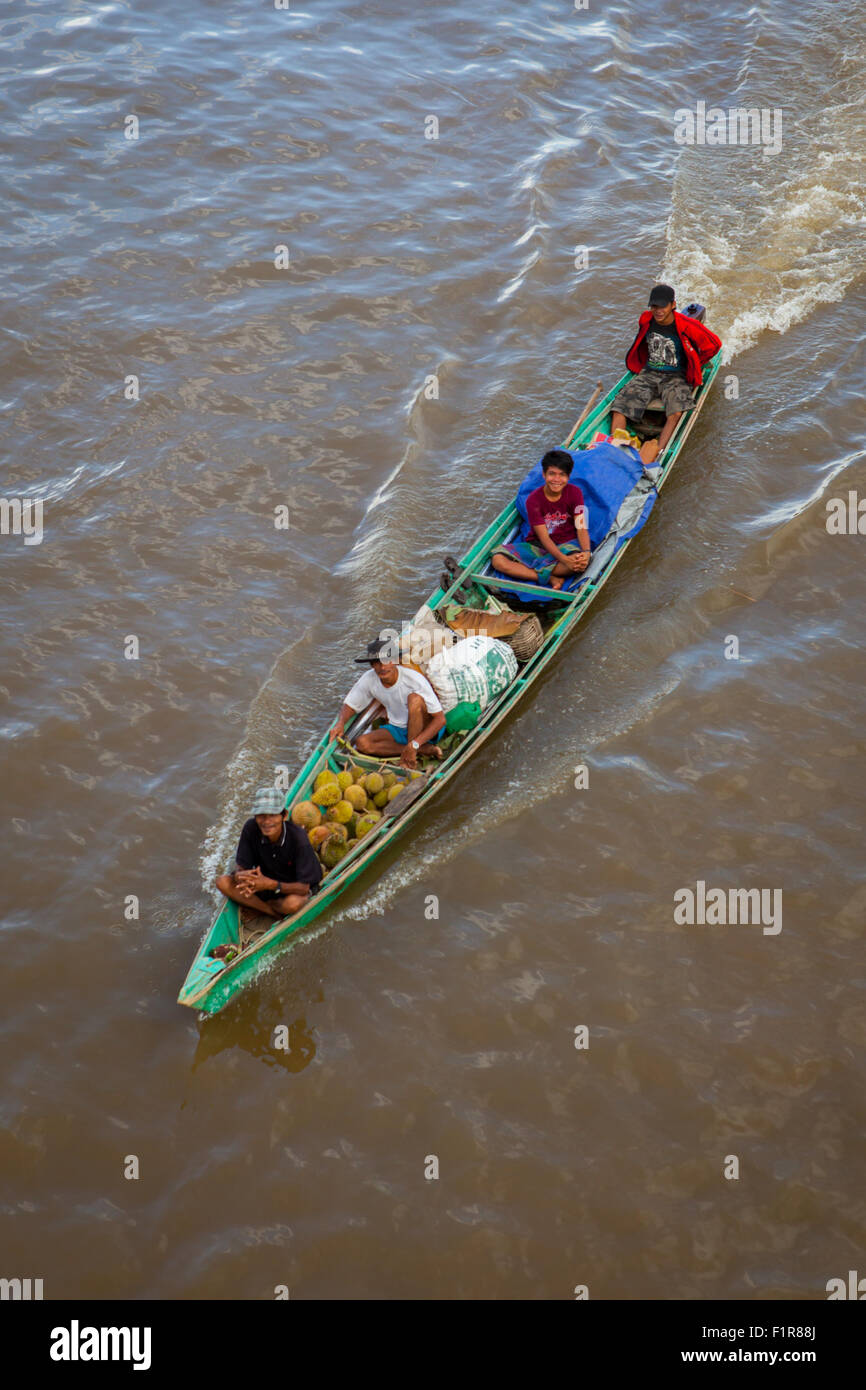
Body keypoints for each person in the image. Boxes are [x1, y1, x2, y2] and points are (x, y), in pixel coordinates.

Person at [610, 284, 722, 452]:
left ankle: (657, 454)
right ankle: (614, 449)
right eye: (654, 306)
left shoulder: (687, 325)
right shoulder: (646, 319)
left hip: (676, 377)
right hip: (649, 373)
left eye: (663, 306)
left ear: (673, 305)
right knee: (619, 407)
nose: (658, 311)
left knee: (676, 412)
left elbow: (714, 344)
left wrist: (695, 363)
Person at [331, 638, 446, 768]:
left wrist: (414, 744)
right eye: (378, 663)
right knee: (362, 743)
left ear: (395, 661)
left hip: (426, 727)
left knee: (414, 699)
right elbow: (351, 704)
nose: (383, 667)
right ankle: (423, 750)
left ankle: (412, 751)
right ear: (372, 665)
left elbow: (440, 720)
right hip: (399, 727)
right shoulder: (369, 679)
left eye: (387, 661)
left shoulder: (414, 679)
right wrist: (340, 723)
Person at [491, 449, 591, 592]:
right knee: (498, 560)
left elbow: (581, 527)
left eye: (562, 474)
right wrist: (563, 560)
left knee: (578, 562)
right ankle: (545, 577)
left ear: (568, 477)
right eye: (552, 474)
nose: (556, 479)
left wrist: (586, 552)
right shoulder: (534, 500)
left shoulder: (575, 493)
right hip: (540, 546)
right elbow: (544, 538)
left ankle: (542, 570)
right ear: (544, 475)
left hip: (566, 543)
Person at [214, 787, 322, 919]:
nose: (266, 822)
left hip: (292, 887)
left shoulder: (298, 839)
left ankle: (267, 906)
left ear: (284, 816)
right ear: (255, 816)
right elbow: (241, 867)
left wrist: (269, 884)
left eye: (272, 815)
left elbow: (303, 888)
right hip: (264, 884)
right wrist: (240, 876)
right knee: (222, 882)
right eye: (261, 815)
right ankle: (270, 912)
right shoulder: (251, 828)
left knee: (292, 904)